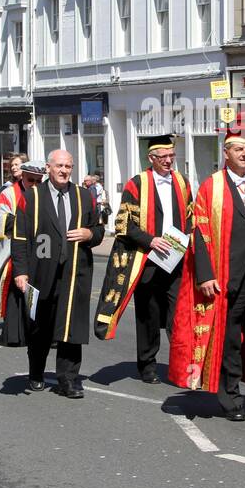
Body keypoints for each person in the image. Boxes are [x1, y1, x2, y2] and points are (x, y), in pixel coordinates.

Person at [170, 132, 245, 422]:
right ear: (227, 154)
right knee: (230, 342)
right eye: (239, 149)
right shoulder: (212, 187)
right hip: (226, 277)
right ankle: (231, 398)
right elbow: (201, 233)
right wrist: (205, 276)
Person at [94, 135, 195, 384]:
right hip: (148, 259)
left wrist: (191, 237)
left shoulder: (182, 182)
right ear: (151, 158)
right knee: (148, 315)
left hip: (176, 259)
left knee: (179, 314)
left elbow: (192, 216)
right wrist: (151, 240)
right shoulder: (137, 184)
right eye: (163, 157)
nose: (169, 161)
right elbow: (124, 224)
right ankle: (147, 364)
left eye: (172, 156)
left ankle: (182, 365)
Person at [11, 148, 104, 397]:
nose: (64, 171)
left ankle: (68, 379)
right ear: (49, 168)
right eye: (59, 166)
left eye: (68, 167)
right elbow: (19, 238)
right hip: (42, 270)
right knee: (41, 326)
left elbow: (98, 230)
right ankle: (36, 372)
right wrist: (21, 271)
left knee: (71, 327)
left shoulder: (83, 196)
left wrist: (89, 234)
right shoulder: (32, 197)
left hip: (75, 272)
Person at [0, 159, 42, 345]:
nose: (34, 185)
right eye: (30, 180)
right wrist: (25, 222)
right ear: (23, 178)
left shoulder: (46, 195)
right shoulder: (9, 193)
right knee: (16, 292)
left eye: (38, 181)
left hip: (40, 251)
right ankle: (15, 334)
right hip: (14, 250)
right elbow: (1, 221)